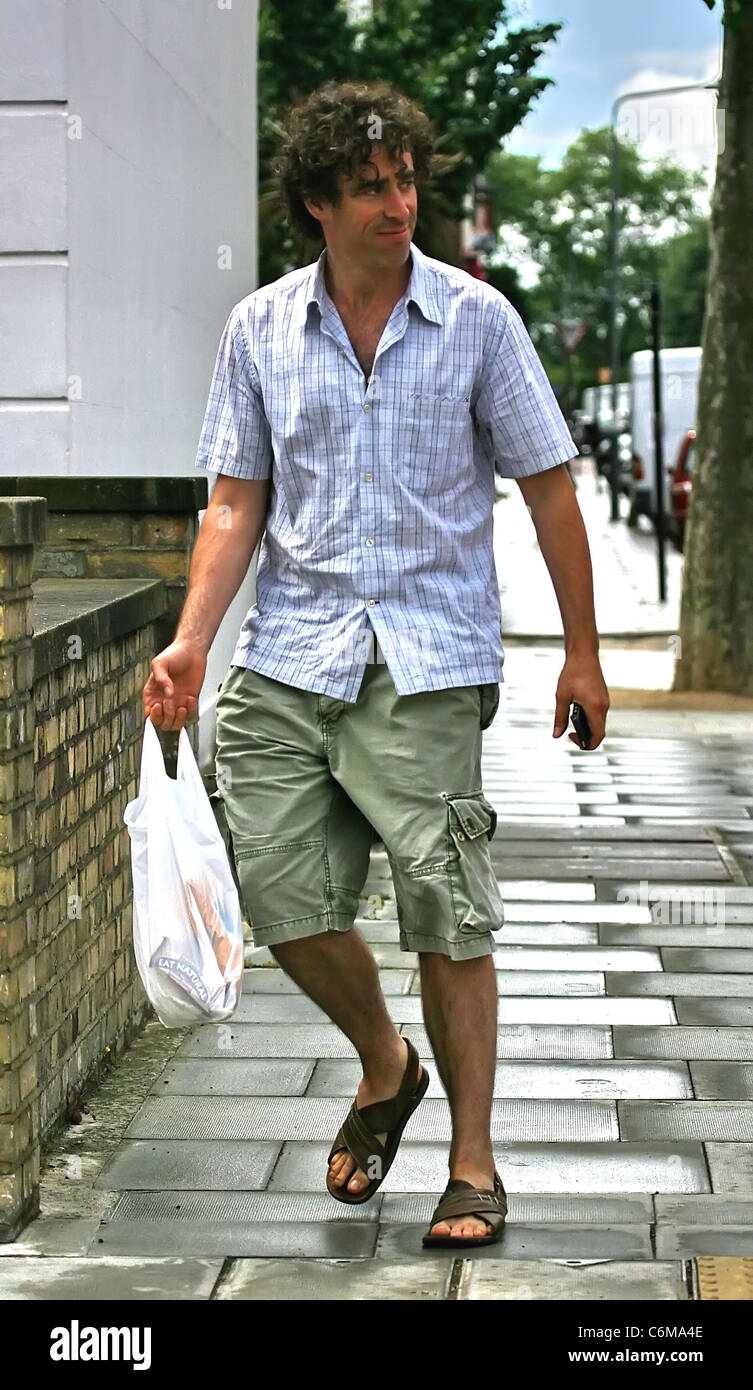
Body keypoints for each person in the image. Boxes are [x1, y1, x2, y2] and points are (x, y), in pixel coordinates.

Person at [142, 80, 610, 1248]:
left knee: (448, 911)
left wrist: (585, 652)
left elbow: (552, 489)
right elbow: (234, 502)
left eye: (407, 180)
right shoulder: (259, 330)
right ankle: (383, 1061)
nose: (399, 203)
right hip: (290, 651)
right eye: (370, 186)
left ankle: (472, 1164)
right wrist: (193, 638)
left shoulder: (477, 323)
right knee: (276, 891)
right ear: (317, 204)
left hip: (426, 656)